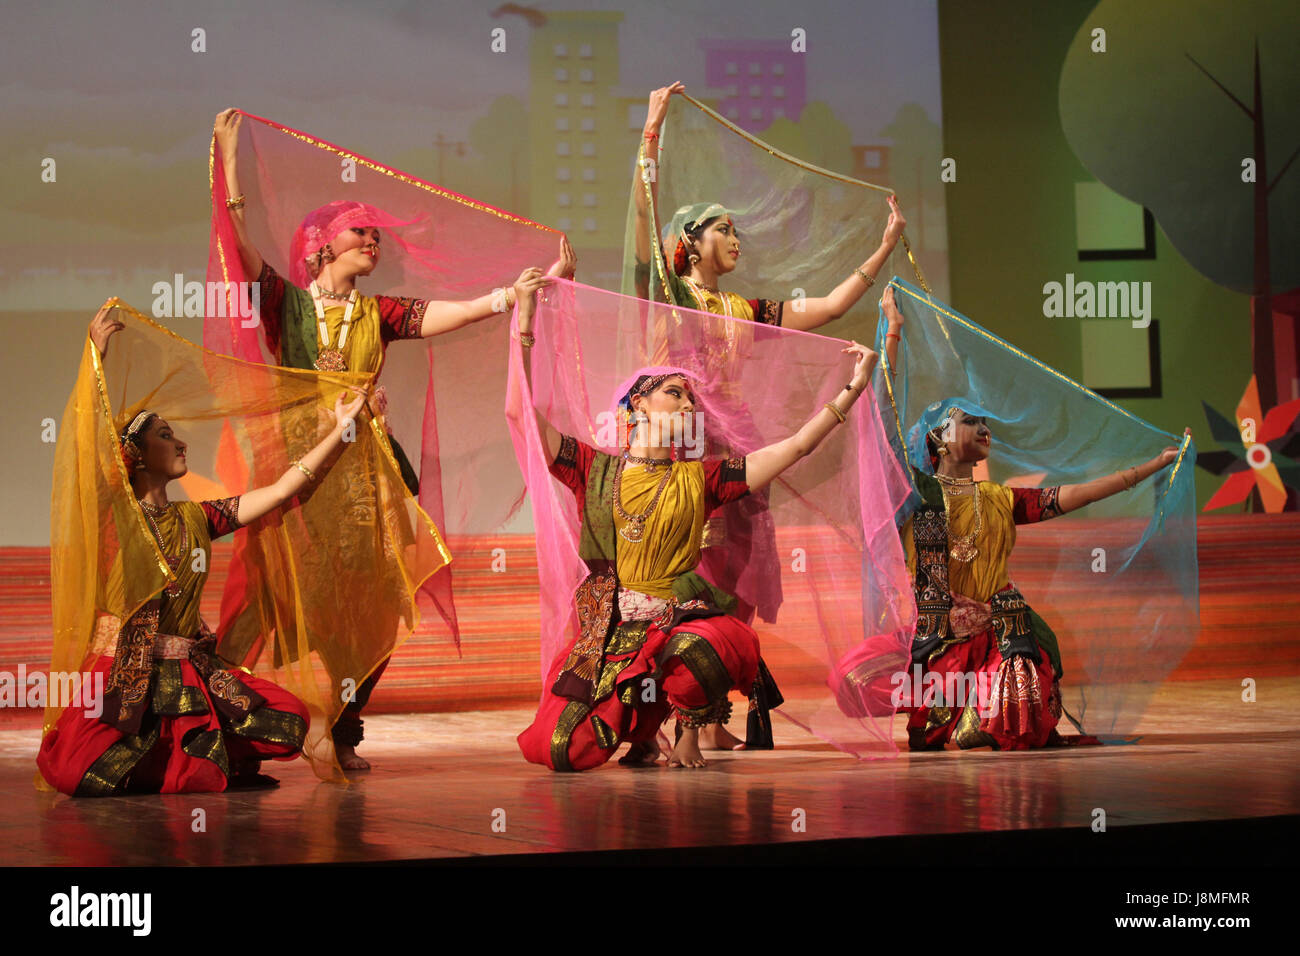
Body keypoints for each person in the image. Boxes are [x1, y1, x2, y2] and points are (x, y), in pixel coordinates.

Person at [213, 108, 576, 768]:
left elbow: (459, 312)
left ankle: (337, 723)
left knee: (380, 607)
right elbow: (238, 247)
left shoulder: (376, 314)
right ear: (321, 243)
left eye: (377, 237)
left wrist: (516, 293)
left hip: (363, 483)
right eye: (362, 232)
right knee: (259, 604)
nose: (373, 243)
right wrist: (230, 162)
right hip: (294, 477)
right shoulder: (285, 304)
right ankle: (211, 731)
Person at [509, 270, 883, 769]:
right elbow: (519, 413)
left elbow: (794, 447)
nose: (688, 405)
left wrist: (853, 389)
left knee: (702, 647)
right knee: (558, 750)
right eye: (674, 393)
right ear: (638, 402)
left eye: (690, 398)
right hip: (610, 631)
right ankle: (642, 732)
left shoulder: (704, 478)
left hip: (675, 619)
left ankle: (689, 730)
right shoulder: (592, 468)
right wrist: (526, 322)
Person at [37, 305, 368, 795]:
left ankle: (172, 760)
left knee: (291, 718)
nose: (181, 442)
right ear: (135, 455)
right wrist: (95, 361)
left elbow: (280, 491)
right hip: (125, 669)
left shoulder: (198, 516)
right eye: (165, 436)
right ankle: (163, 759)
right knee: (76, 772)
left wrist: (341, 430)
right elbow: (86, 448)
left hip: (189, 667)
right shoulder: (116, 519)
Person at [876, 287, 1182, 749]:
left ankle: (983, 713)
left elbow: (1074, 496)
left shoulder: (1000, 498)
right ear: (938, 439)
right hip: (942, 638)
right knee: (941, 725)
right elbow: (883, 415)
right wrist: (893, 332)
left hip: (1001, 629)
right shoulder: (916, 491)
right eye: (971, 422)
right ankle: (966, 712)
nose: (985, 429)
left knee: (1022, 690)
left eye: (986, 424)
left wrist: (1147, 469)